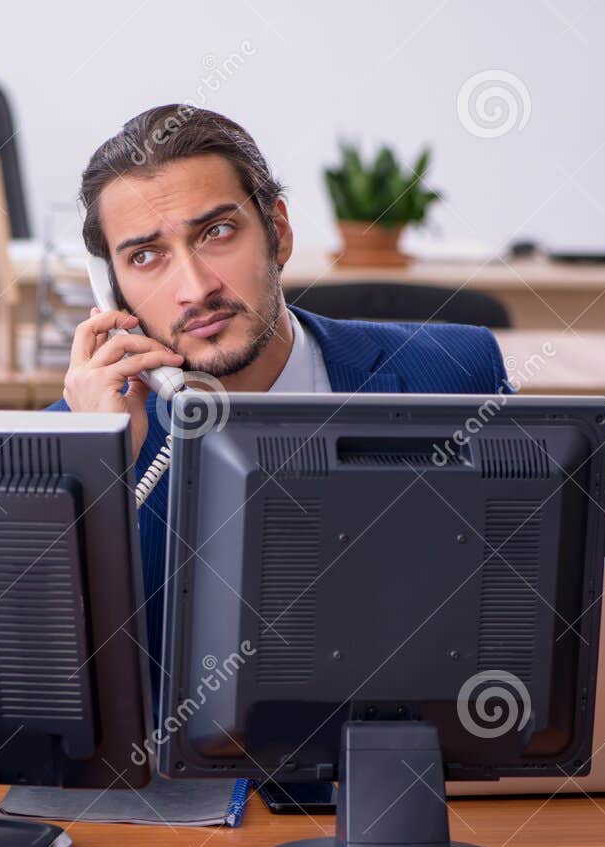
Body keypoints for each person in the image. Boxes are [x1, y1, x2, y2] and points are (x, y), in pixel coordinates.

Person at [51, 104, 511, 676]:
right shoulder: (79, 436)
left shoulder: (454, 375)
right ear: (113, 292)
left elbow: (517, 614)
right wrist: (103, 469)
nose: (193, 290)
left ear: (279, 232)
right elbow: (45, 678)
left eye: (217, 232)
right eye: (146, 257)